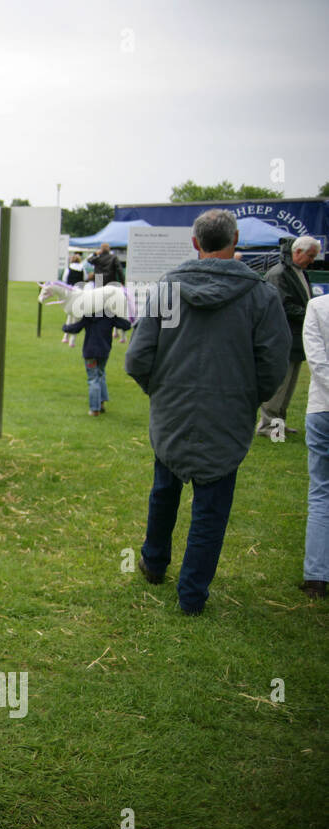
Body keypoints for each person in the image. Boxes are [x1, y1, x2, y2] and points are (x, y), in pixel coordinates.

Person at [124, 209, 290, 616]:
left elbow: (138, 357)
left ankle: (155, 562)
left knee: (165, 488)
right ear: (236, 239)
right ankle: (191, 593)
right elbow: (273, 363)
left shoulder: (171, 289)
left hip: (175, 408)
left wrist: (160, 392)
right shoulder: (260, 295)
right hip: (226, 410)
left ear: (195, 243)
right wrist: (248, 397)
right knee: (211, 506)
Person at [257, 236, 323, 437]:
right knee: (279, 388)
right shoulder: (280, 274)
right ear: (297, 252)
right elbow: (283, 306)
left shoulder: (298, 272)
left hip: (295, 337)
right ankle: (269, 427)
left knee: (288, 388)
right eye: (310, 256)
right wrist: (312, 314)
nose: (312, 260)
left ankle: (279, 426)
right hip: (282, 338)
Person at [61, 284, 132, 415]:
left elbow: (76, 328)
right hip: (105, 351)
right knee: (100, 374)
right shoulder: (110, 315)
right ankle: (102, 402)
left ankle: (94, 409)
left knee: (93, 378)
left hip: (90, 352)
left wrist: (65, 328)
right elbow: (126, 325)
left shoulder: (88, 316)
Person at [301, 294, 329, 599]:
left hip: (322, 405)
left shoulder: (319, 307)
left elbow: (318, 362)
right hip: (322, 406)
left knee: (321, 491)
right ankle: (317, 573)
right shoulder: (316, 306)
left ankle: (317, 575)